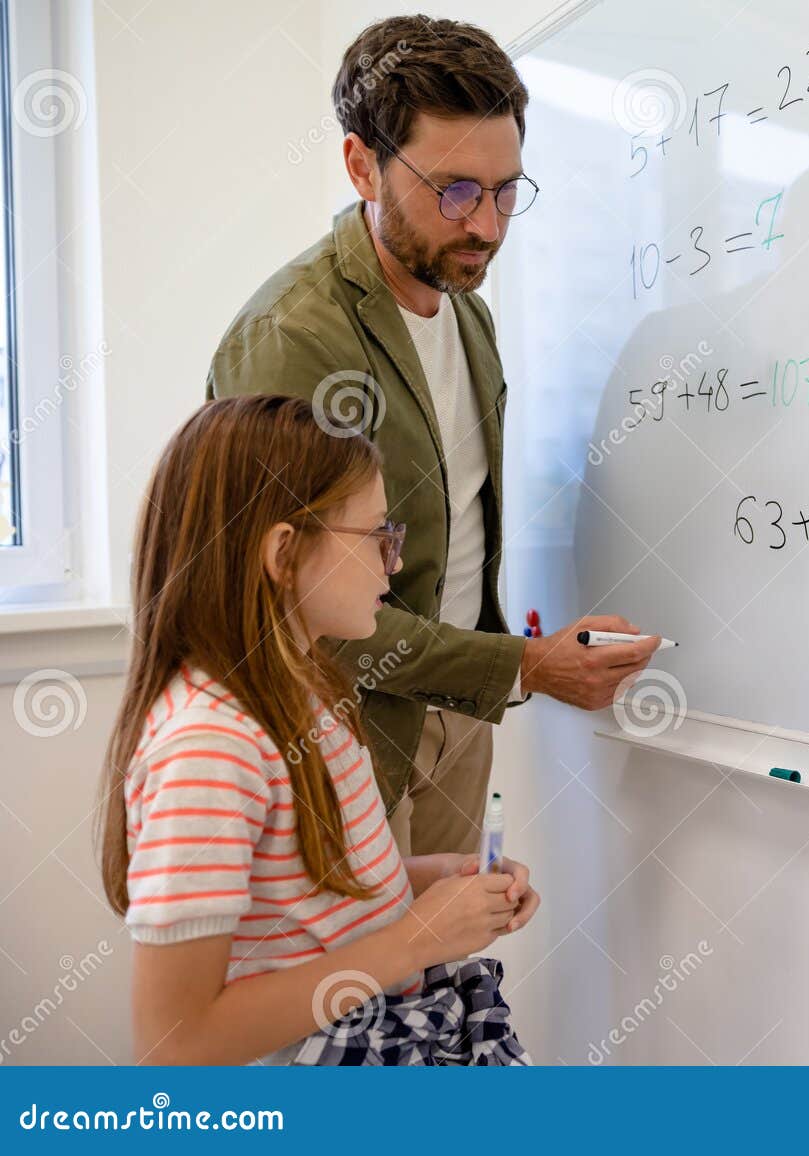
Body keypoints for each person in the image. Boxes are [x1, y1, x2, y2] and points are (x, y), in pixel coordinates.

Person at [206, 15, 659, 858]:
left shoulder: (470, 317)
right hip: (332, 732)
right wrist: (524, 666)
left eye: (507, 190)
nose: (486, 226)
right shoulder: (293, 340)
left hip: (454, 714)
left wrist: (497, 674)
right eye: (454, 191)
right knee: (354, 984)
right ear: (361, 165)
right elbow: (300, 606)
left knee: (444, 973)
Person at [96, 395, 538, 1065]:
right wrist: (418, 938)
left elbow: (304, 903)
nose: (393, 566)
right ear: (283, 551)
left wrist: (425, 881)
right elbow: (175, 1047)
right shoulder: (209, 749)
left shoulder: (304, 691)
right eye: (377, 538)